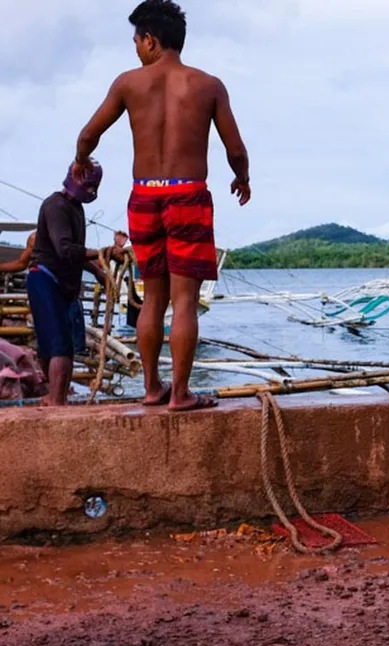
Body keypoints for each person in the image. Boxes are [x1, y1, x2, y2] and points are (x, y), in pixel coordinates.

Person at [72, 0, 250, 411]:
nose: (135, 48)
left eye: (136, 40)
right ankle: (181, 393)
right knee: (185, 300)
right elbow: (235, 150)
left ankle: (153, 388)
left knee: (151, 296)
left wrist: (81, 163)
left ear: (150, 40)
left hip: (145, 193)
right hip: (188, 193)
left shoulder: (128, 84)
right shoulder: (208, 85)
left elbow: (87, 135)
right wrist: (241, 179)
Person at [26, 162, 108, 405]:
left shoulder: (76, 208)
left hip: (64, 284)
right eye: (89, 185)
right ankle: (56, 400)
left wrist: (98, 273)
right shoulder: (56, 206)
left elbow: (75, 253)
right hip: (45, 278)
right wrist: (103, 253)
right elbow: (64, 250)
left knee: (66, 345)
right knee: (58, 344)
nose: (91, 191)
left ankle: (56, 396)